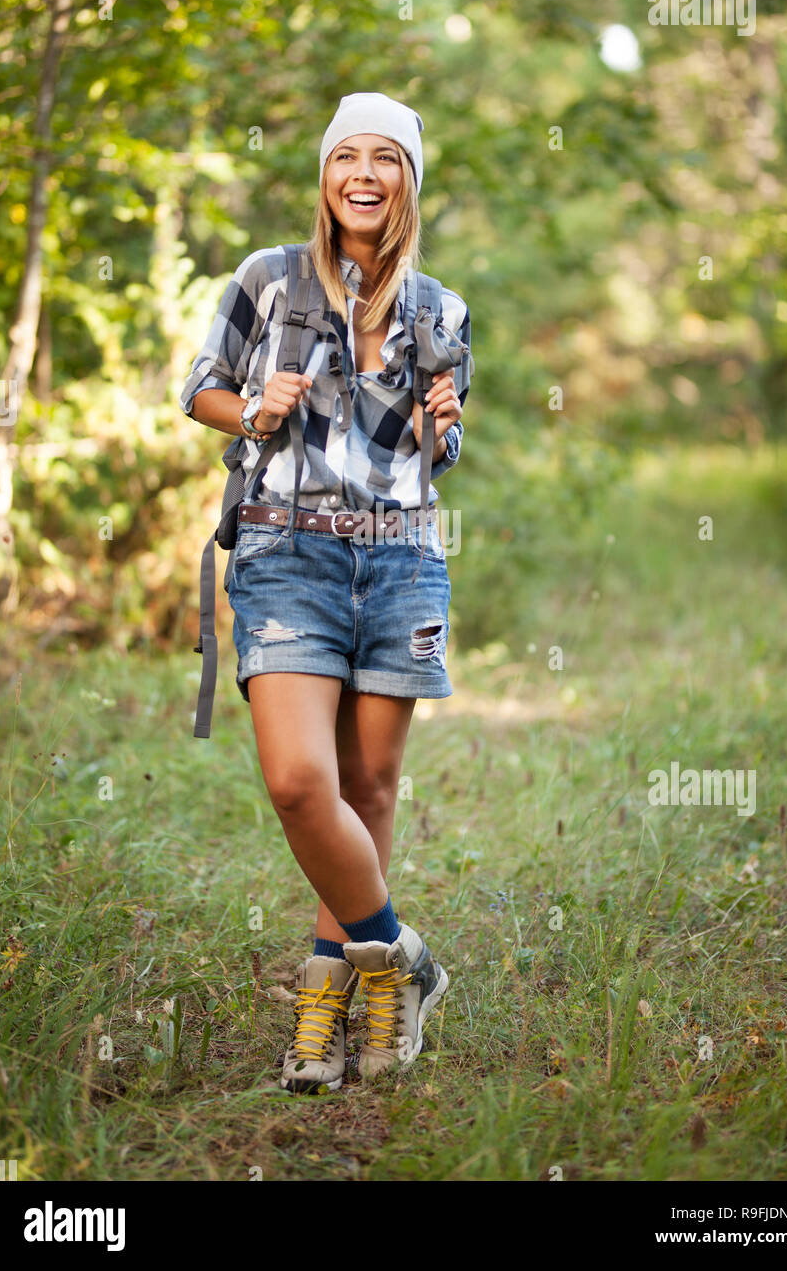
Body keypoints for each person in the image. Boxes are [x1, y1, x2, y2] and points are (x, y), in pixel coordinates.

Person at [179, 92, 472, 1093]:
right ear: (323, 174)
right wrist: (255, 408)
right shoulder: (266, 279)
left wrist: (441, 418)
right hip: (285, 552)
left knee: (369, 789)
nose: (361, 173)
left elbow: (441, 453)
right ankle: (402, 958)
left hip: (399, 559)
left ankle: (330, 1003)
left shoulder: (440, 309)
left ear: (407, 180)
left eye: (383, 157)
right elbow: (198, 390)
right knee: (301, 783)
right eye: (344, 155)